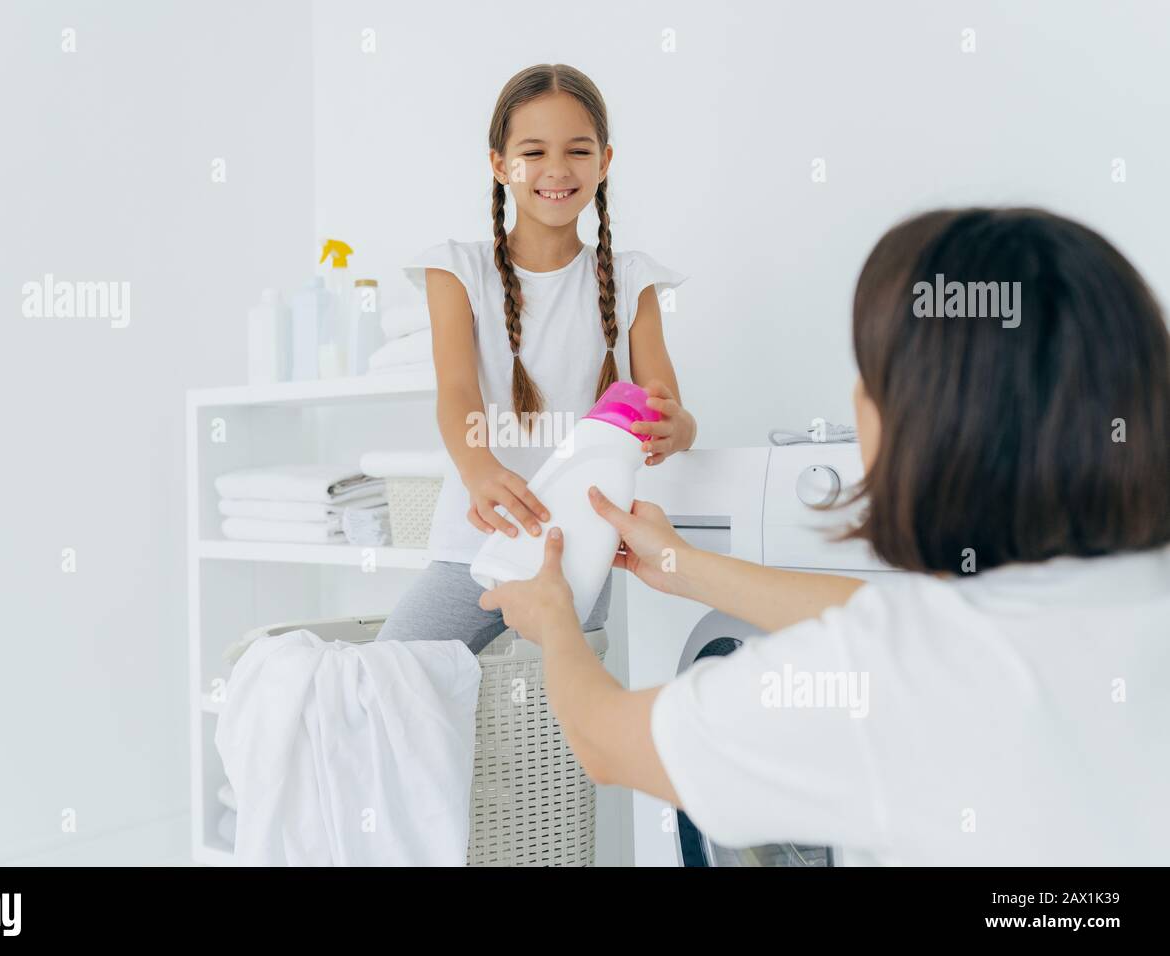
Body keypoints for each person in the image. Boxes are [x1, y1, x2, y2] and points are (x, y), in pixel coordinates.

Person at [481, 207, 1170, 865]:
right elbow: (914, 626)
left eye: (869, 376)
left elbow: (606, 739)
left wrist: (556, 619)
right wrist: (682, 565)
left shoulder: (886, 677)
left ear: (925, 430)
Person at [376, 64, 696, 654]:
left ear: (604, 163)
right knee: (394, 674)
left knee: (557, 729)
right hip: (474, 547)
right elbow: (456, 393)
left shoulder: (632, 280)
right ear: (500, 164)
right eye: (533, 151)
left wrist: (677, 429)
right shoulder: (456, 271)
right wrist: (479, 473)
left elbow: (667, 407)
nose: (556, 169)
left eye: (579, 150)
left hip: (581, 554)